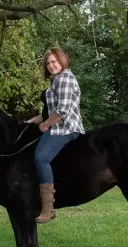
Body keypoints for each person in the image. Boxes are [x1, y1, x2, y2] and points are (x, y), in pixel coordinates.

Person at [26, 47, 85, 224]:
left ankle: (48, 209)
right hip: (57, 125)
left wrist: (45, 124)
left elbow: (62, 110)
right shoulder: (55, 81)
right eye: (48, 63)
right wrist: (32, 121)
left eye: (54, 61)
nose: (51, 65)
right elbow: (49, 111)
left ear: (62, 60)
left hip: (66, 128)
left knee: (40, 158)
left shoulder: (65, 77)